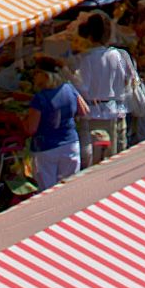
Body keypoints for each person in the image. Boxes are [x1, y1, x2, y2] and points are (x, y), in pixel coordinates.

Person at [70, 14, 144, 156]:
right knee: (117, 157)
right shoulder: (120, 55)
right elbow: (129, 80)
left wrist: (70, 77)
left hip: (96, 116)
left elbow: (83, 87)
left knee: (97, 159)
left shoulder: (86, 59)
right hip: (118, 112)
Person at [26, 51, 86, 187]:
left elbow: (31, 129)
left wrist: (22, 121)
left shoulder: (39, 98)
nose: (33, 77)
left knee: (47, 191)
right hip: (70, 143)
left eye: (36, 73)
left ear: (45, 76)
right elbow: (84, 110)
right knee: (69, 187)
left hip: (46, 148)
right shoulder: (69, 88)